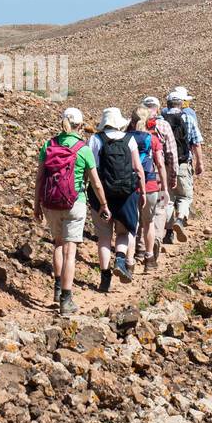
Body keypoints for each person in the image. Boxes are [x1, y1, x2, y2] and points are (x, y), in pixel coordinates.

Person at [34, 107, 109, 315]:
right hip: (75, 203)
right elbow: (95, 182)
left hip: (51, 203)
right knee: (70, 252)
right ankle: (66, 300)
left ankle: (57, 289)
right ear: (80, 125)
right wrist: (103, 204)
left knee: (57, 244)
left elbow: (40, 178)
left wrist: (36, 204)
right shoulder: (83, 149)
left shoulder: (49, 145)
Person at [88, 108, 146, 292]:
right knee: (123, 232)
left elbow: (92, 169)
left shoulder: (95, 139)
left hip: (102, 196)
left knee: (104, 237)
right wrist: (142, 192)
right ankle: (120, 259)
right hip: (126, 195)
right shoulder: (129, 140)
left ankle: (105, 278)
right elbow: (138, 169)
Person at [127, 106, 171, 272]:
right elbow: (160, 164)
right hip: (151, 186)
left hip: (130, 187)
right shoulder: (153, 139)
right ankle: (149, 259)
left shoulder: (125, 138)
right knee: (149, 223)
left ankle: (129, 263)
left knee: (132, 225)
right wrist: (165, 188)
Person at [161, 87, 205, 244]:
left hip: (164, 165)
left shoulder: (161, 120)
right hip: (182, 163)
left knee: (168, 198)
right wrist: (199, 162)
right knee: (185, 196)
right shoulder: (188, 118)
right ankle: (180, 219)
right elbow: (196, 143)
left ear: (167, 103)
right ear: (181, 104)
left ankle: (167, 232)